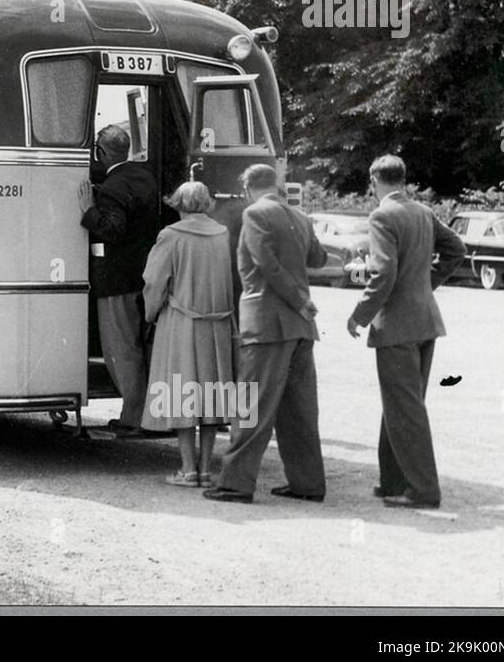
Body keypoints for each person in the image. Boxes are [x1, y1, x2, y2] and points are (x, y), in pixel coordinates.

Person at [204, 164, 329, 504]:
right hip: (302, 329)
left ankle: (235, 484)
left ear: (247, 188)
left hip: (268, 323)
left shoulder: (255, 214)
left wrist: (299, 299)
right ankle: (308, 484)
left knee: (251, 404)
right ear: (277, 184)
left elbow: (264, 263)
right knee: (300, 410)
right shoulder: (300, 216)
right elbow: (318, 258)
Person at [346, 155, 465, 509]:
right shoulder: (423, 211)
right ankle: (393, 481)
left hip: (397, 325)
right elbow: (455, 249)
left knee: (405, 409)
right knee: (402, 405)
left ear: (373, 182)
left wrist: (359, 315)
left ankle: (424, 489)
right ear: (403, 179)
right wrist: (426, 285)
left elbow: (382, 274)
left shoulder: (382, 215)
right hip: (426, 322)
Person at [140, 181, 237, 486]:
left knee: (181, 393)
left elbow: (154, 282)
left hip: (181, 321)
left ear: (178, 204)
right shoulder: (222, 234)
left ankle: (187, 469)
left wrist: (150, 313)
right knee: (211, 396)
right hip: (219, 323)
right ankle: (207, 469)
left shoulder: (171, 236)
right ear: (207, 203)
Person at [77, 122, 161, 434]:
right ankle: (142, 412)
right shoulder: (145, 177)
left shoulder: (112, 188)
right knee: (139, 345)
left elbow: (112, 230)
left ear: (100, 153)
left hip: (115, 280)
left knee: (121, 349)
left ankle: (133, 416)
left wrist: (89, 210)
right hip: (143, 275)